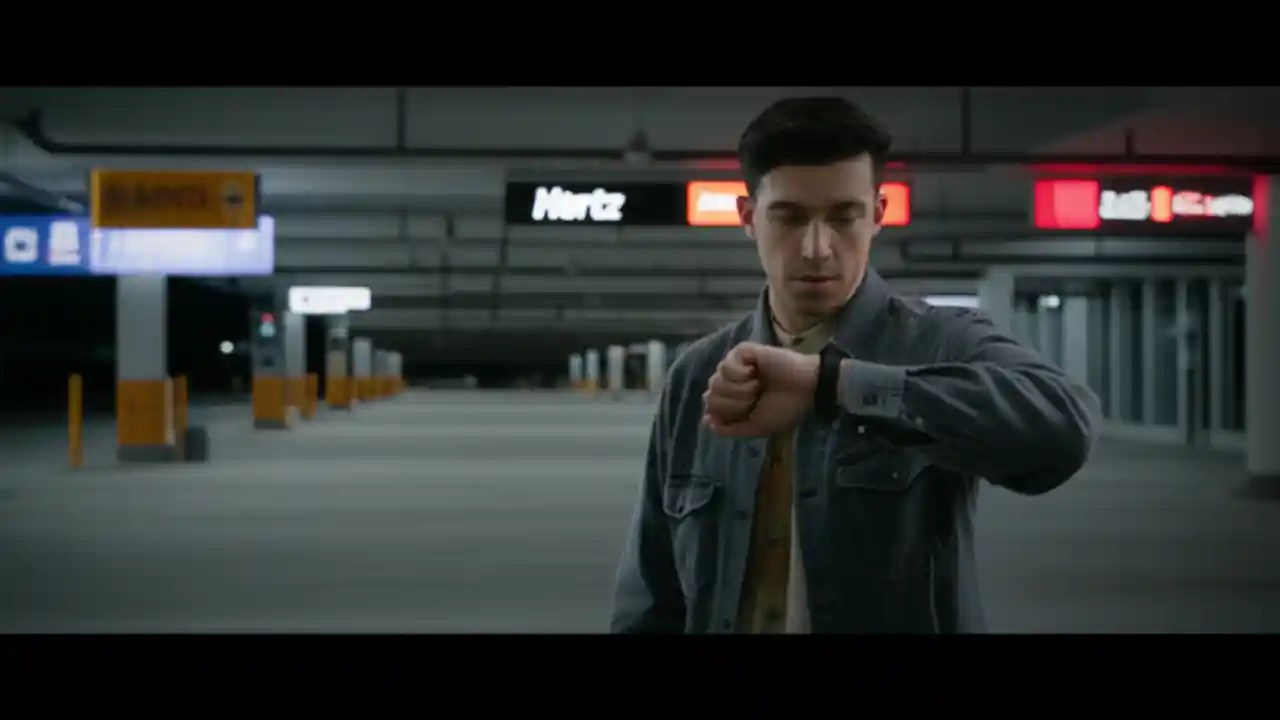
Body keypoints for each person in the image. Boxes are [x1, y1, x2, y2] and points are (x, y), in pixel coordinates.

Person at [608, 96, 1102, 634]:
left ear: (878, 215)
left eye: (844, 217)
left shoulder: (938, 343)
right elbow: (653, 590)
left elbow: (1064, 430)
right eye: (790, 217)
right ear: (748, 217)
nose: (817, 248)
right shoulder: (697, 374)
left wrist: (834, 384)